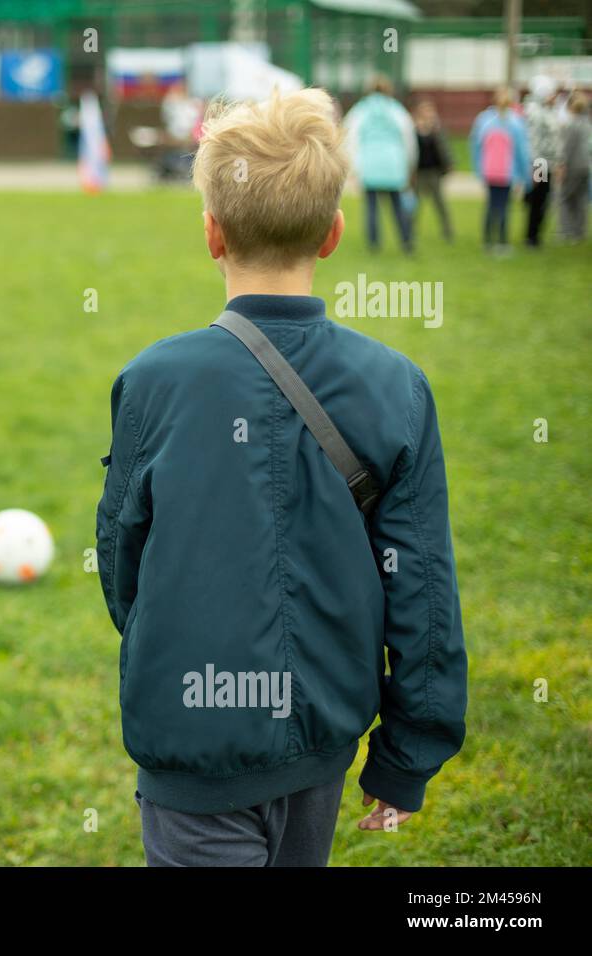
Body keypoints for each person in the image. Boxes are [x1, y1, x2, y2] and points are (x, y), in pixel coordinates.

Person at [95, 88, 467, 867]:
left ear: (211, 232)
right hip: (321, 730)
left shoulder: (154, 380)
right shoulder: (395, 384)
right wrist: (408, 754)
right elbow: (423, 589)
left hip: (190, 736)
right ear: (333, 234)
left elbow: (120, 561)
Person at [343, 74, 417, 253]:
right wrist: (409, 165)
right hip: (393, 164)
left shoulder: (360, 110)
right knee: (398, 205)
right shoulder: (396, 110)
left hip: (369, 164)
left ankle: (374, 244)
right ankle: (406, 241)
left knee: (371, 207)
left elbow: (350, 138)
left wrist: (354, 167)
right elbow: (409, 139)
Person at [469, 87, 530, 256]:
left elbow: (475, 145)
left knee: (490, 205)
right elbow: (522, 151)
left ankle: (488, 241)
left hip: (489, 171)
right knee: (503, 207)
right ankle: (502, 243)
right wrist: (526, 174)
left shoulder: (484, 119)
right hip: (506, 172)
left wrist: (478, 168)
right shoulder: (516, 122)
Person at [522, 75, 562, 247]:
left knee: (543, 199)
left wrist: (558, 162)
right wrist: (536, 167)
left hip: (548, 162)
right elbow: (534, 141)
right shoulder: (535, 112)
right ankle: (532, 237)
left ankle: (535, 234)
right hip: (541, 163)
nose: (555, 96)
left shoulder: (548, 110)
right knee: (538, 200)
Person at [412, 99, 454, 241]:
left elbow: (445, 149)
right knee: (414, 205)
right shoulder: (413, 129)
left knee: (440, 204)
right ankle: (411, 232)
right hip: (419, 173)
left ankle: (447, 231)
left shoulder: (437, 130)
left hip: (434, 172)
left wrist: (448, 164)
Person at [556, 92, 589, 242]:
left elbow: (566, 148)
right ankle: (579, 231)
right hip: (586, 166)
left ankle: (565, 231)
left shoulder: (570, 125)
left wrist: (561, 165)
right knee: (580, 199)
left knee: (564, 197)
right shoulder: (587, 124)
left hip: (572, 166)